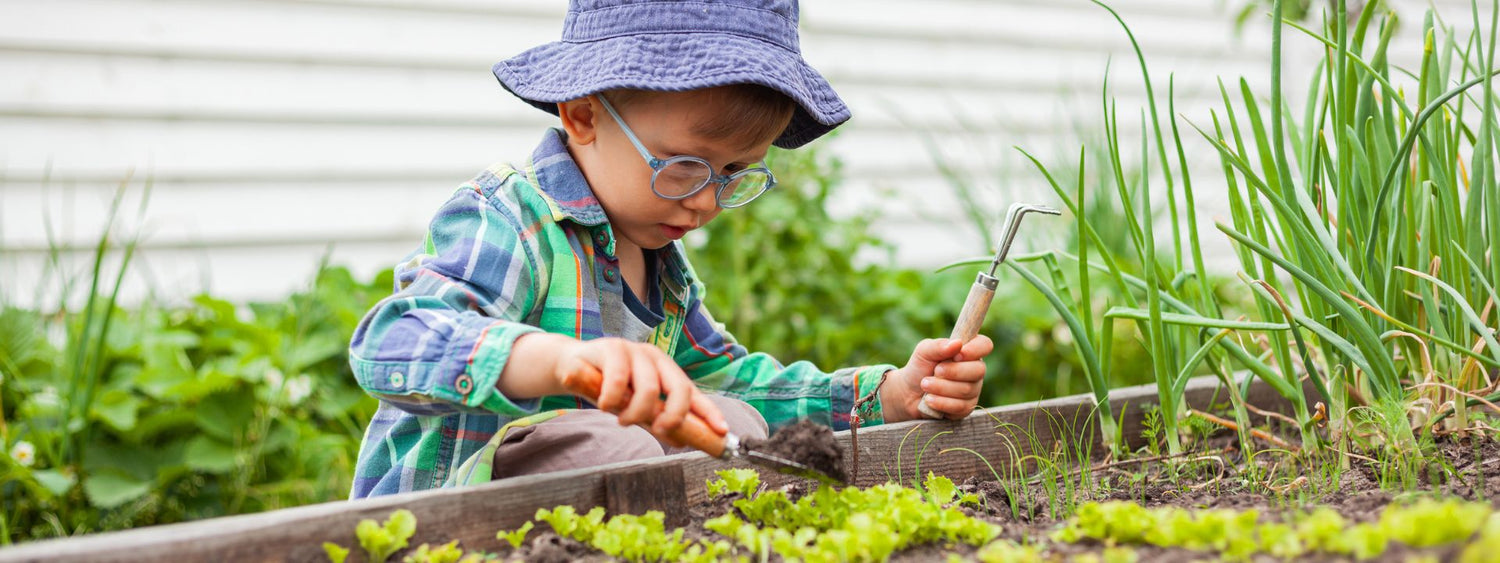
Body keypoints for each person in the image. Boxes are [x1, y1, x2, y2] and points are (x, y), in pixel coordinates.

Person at [347, 0, 994, 498]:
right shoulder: (510, 222)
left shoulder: (663, 269)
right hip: (443, 527)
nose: (708, 200)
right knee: (620, 446)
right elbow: (388, 341)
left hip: (584, 509)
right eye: (685, 166)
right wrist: (558, 360)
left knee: (731, 417)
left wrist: (885, 396)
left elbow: (732, 384)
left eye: (736, 174)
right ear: (583, 115)